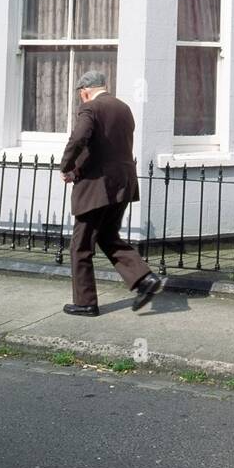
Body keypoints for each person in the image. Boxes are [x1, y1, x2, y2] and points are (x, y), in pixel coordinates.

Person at [58, 70, 164, 316]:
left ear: (85, 91)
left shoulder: (91, 108)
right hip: (123, 184)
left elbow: (78, 139)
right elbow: (109, 148)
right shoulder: (124, 108)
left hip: (97, 187)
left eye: (80, 96)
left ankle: (85, 303)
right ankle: (144, 278)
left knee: (80, 246)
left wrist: (67, 167)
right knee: (107, 235)